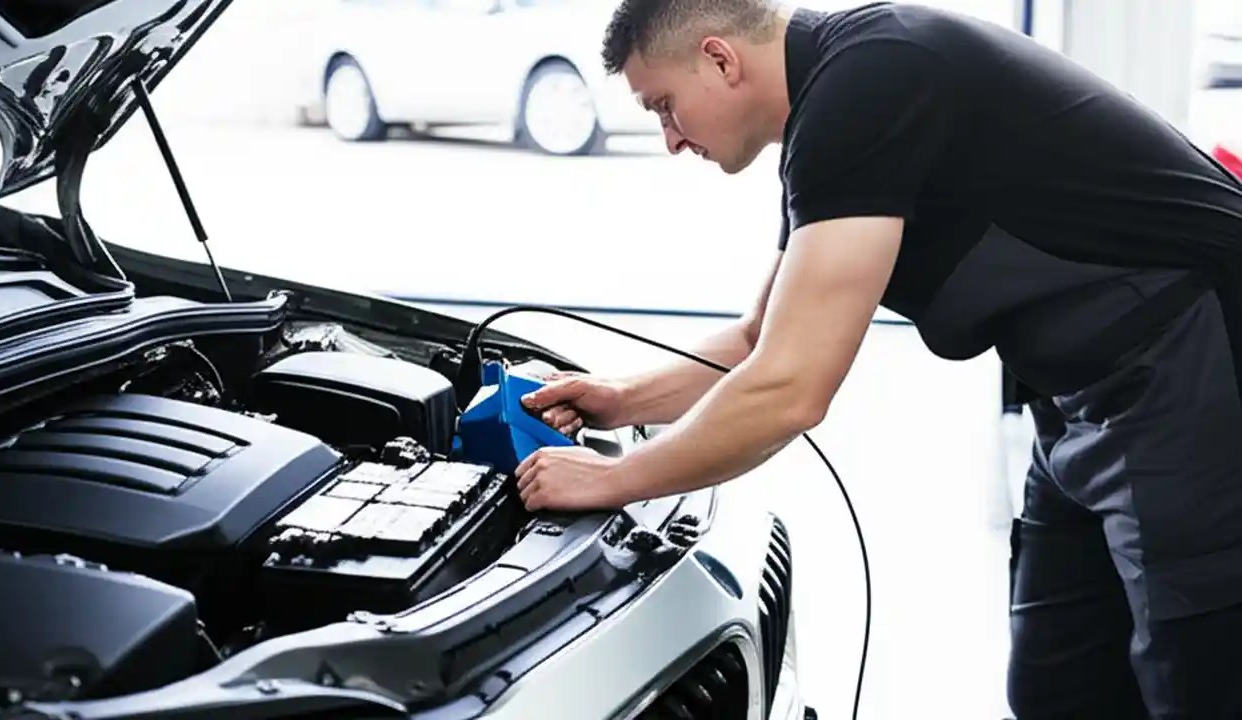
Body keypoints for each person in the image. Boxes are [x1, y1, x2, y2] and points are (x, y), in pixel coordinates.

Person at [511, 0, 1242, 716]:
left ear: (719, 59)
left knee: (1198, 679)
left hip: (1190, 361)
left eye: (663, 106)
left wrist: (615, 479)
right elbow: (758, 341)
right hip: (1085, 392)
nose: (670, 138)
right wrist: (618, 398)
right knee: (1058, 681)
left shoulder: (871, 83)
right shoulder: (838, 98)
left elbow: (790, 388)